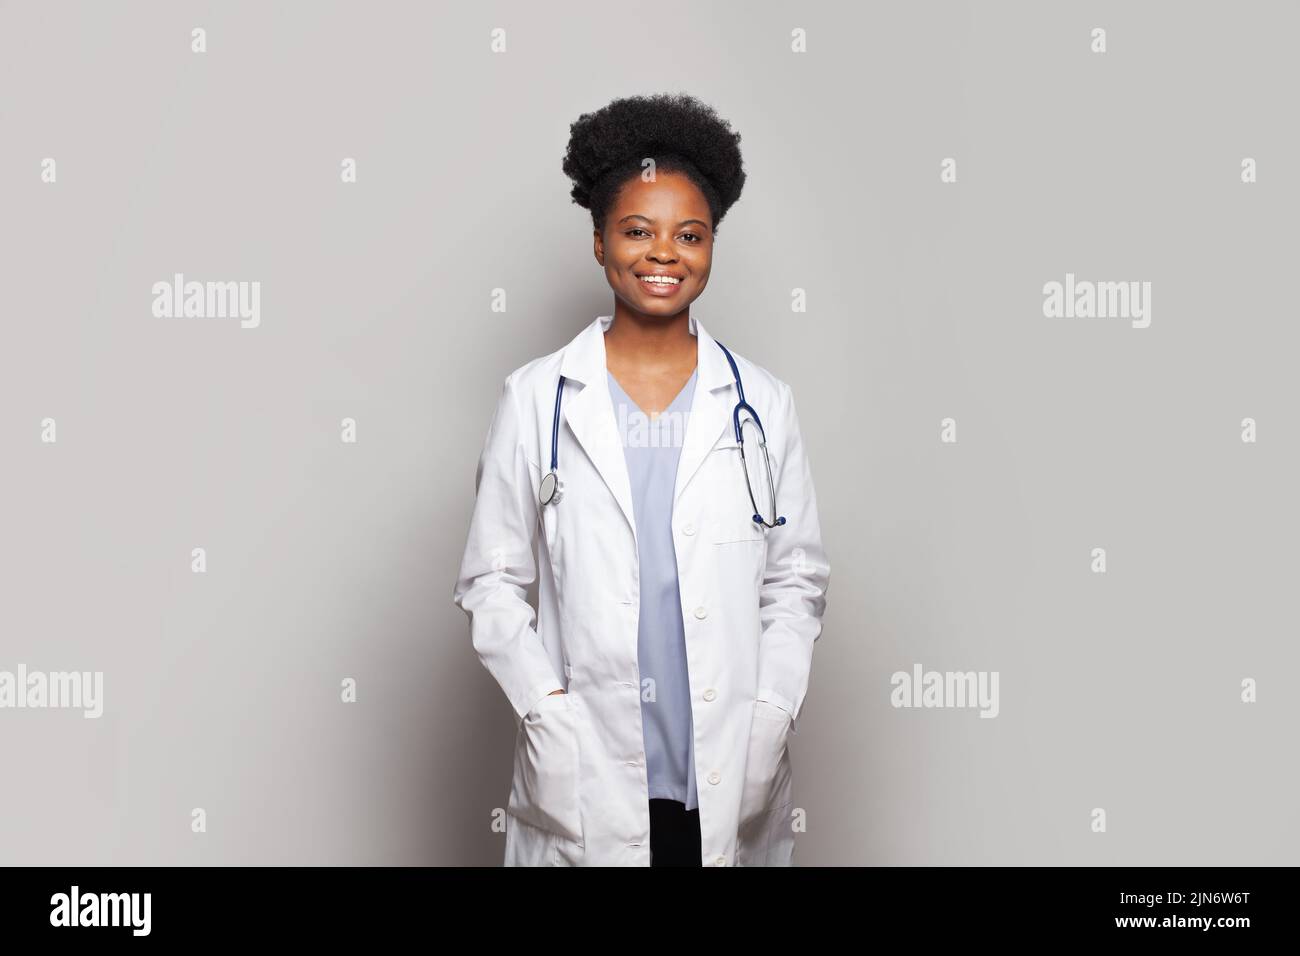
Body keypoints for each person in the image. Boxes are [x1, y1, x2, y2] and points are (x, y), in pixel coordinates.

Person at [453, 92, 830, 866]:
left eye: (690, 235)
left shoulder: (761, 402)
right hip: (587, 773)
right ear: (598, 242)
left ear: (712, 244)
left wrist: (771, 712)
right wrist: (545, 711)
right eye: (637, 230)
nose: (665, 253)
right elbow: (490, 583)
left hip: (727, 770)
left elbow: (796, 581)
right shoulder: (537, 398)